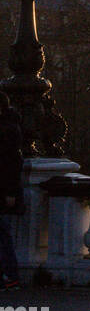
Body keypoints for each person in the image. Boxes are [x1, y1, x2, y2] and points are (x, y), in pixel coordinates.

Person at [0, 92, 23, 289]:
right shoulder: (11, 128)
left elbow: (10, 165)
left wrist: (10, 193)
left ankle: (10, 275)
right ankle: (9, 275)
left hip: (4, 190)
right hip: (6, 190)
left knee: (3, 235)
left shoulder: (7, 131)